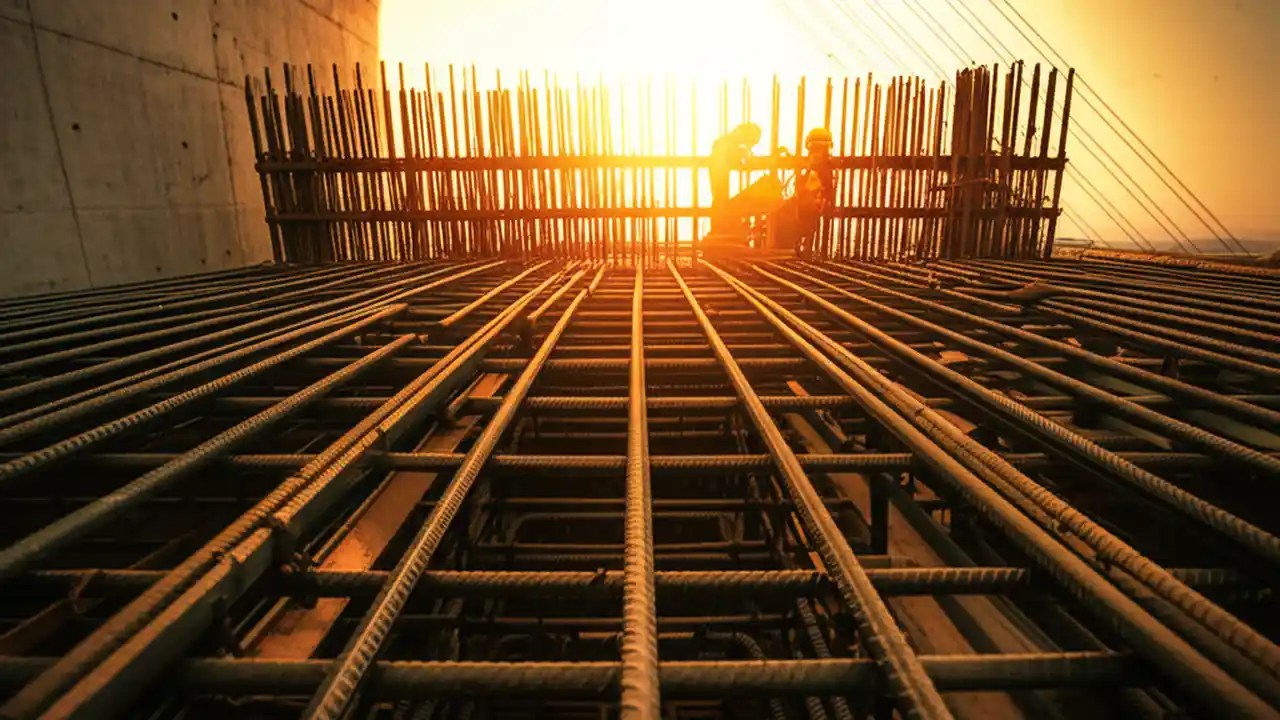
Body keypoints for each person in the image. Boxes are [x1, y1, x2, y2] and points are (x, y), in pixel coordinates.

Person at [708, 122, 762, 236]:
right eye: (751, 142)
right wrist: (745, 155)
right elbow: (734, 156)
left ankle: (718, 229)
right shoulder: (726, 144)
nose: (749, 145)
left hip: (719, 175)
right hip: (719, 175)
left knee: (719, 199)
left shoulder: (726, 142)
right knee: (720, 199)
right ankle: (718, 230)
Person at [793, 127, 835, 254]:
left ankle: (804, 246)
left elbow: (825, 191)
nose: (814, 154)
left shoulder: (824, 173)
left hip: (812, 205)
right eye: (812, 150)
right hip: (807, 204)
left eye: (818, 150)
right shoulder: (810, 172)